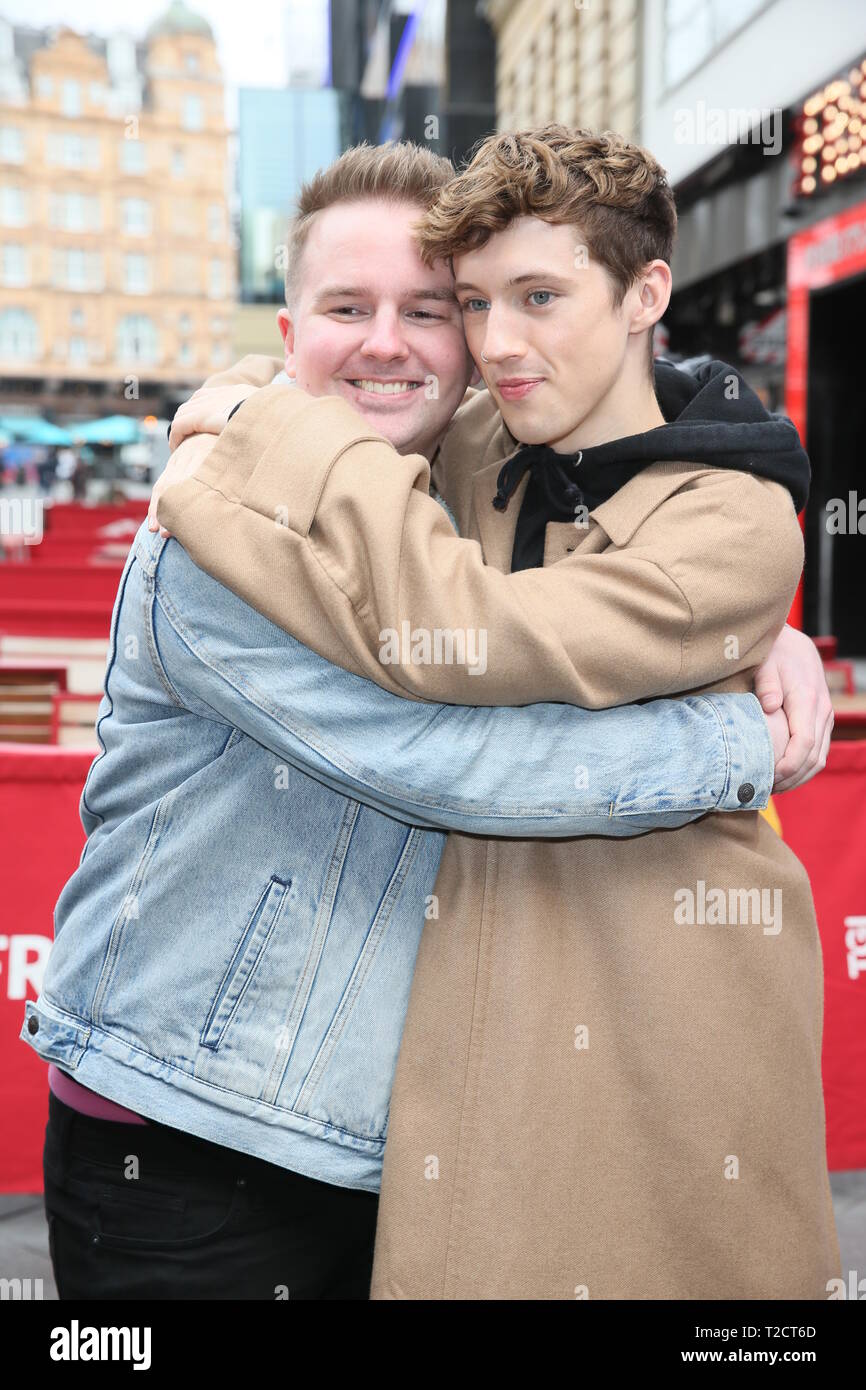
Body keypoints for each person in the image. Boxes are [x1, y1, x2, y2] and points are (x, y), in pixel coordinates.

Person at [154, 129, 840, 1299]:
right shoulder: (477, 443)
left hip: (670, 1027)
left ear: (645, 295)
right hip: (453, 1039)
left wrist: (247, 449)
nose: (499, 344)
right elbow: (358, 411)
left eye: (539, 295)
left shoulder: (734, 513)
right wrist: (247, 408)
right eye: (471, 303)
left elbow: (464, 632)